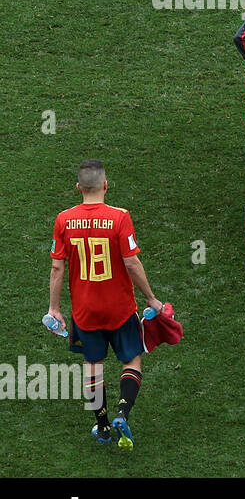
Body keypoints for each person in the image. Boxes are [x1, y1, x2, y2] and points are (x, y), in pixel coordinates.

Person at [48, 159, 165, 451]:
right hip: (120, 308)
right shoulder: (119, 217)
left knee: (92, 366)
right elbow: (131, 262)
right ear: (105, 185)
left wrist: (54, 309)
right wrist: (151, 297)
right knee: (132, 360)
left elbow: (57, 269)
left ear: (78, 187)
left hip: (84, 311)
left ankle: (101, 426)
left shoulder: (63, 219)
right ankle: (122, 413)